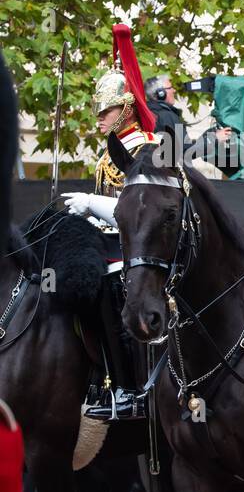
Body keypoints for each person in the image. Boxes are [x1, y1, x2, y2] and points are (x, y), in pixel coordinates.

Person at [62, 24, 159, 421]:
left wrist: (89, 203)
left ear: (128, 107)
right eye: (98, 111)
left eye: (106, 110)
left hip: (140, 245)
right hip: (110, 241)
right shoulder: (109, 153)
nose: (99, 118)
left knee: (105, 280)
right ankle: (97, 377)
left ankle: (128, 386)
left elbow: (140, 209)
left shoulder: (150, 147)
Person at [144, 74, 183, 155]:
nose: (174, 90)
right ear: (161, 93)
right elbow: (185, 149)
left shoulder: (145, 113)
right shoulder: (167, 116)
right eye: (170, 88)